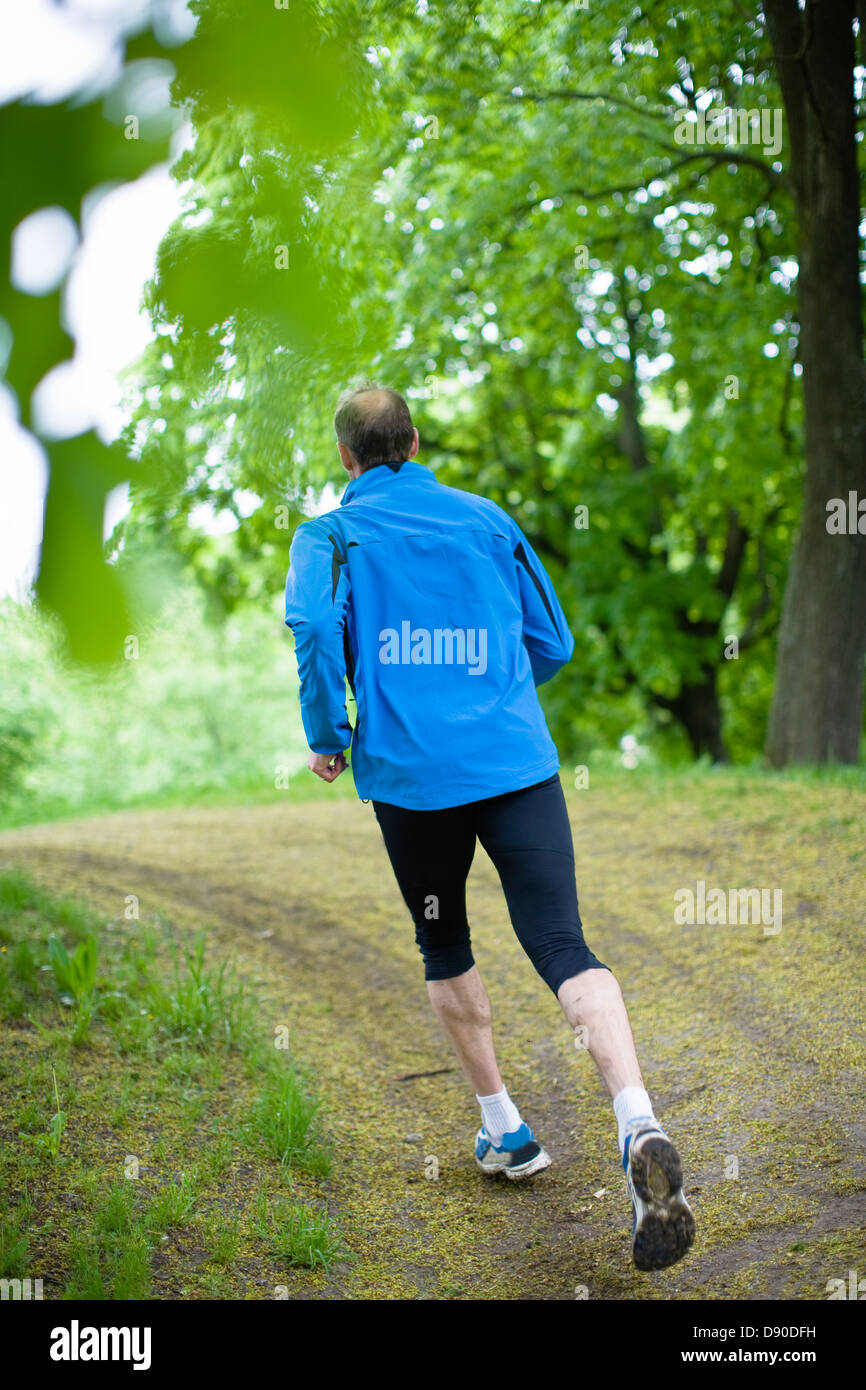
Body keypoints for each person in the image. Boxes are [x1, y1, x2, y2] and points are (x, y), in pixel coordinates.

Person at [284, 382, 695, 1272]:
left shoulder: (330, 535)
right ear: (415, 440)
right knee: (563, 943)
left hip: (411, 780)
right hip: (517, 765)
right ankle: (638, 1122)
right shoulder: (485, 516)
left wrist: (329, 734)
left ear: (348, 457)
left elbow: (314, 624)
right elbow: (553, 642)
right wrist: (490, 694)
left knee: (447, 945)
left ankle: (504, 1129)